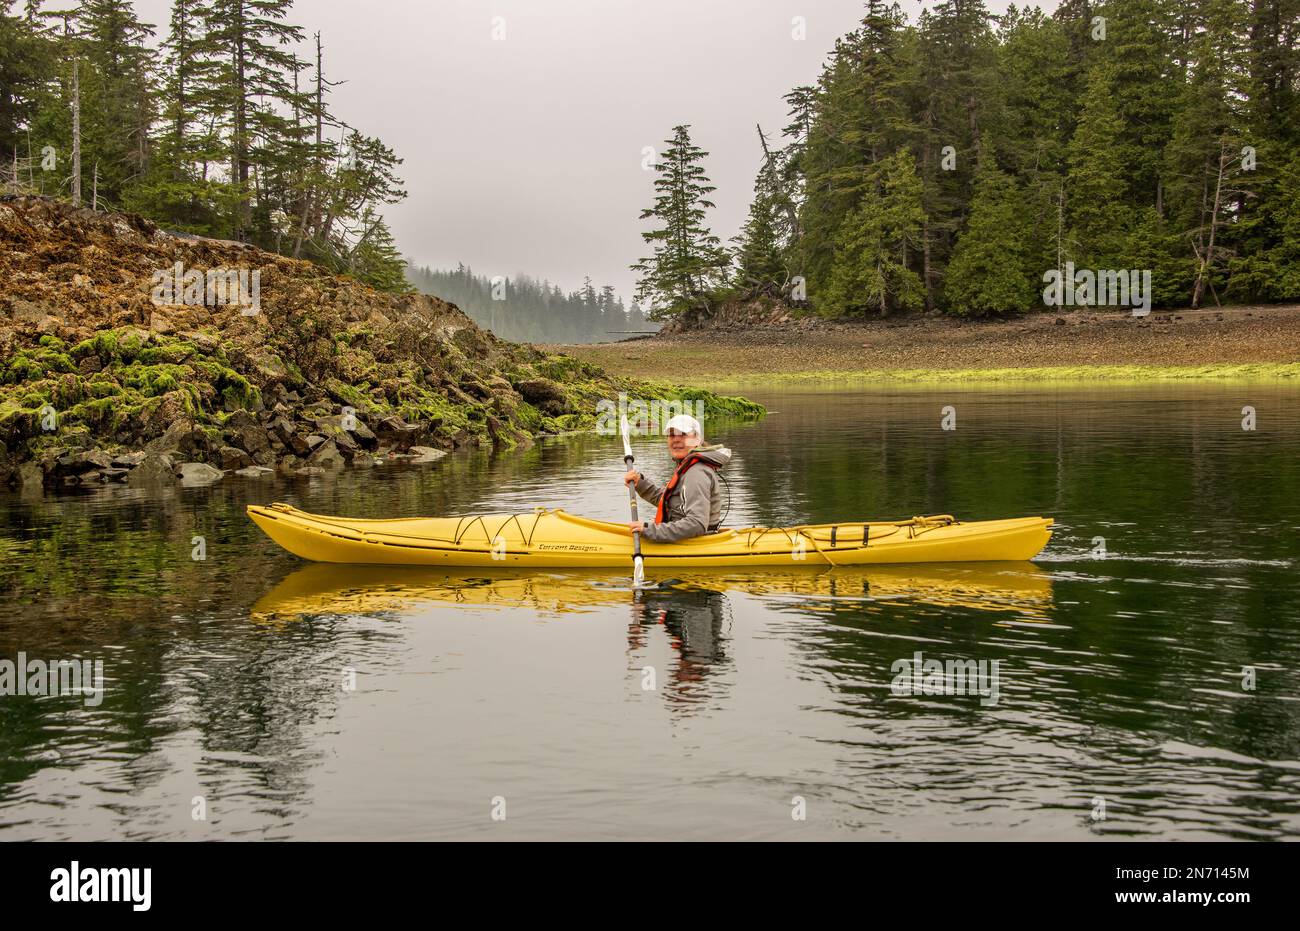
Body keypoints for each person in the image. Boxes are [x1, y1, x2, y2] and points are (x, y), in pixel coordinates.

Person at [623, 414, 730, 542]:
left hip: (696, 543)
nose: (676, 440)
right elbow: (671, 502)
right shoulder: (686, 467)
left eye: (683, 434)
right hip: (685, 536)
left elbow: (697, 523)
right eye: (672, 435)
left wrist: (650, 530)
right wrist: (640, 483)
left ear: (697, 440)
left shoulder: (696, 473)